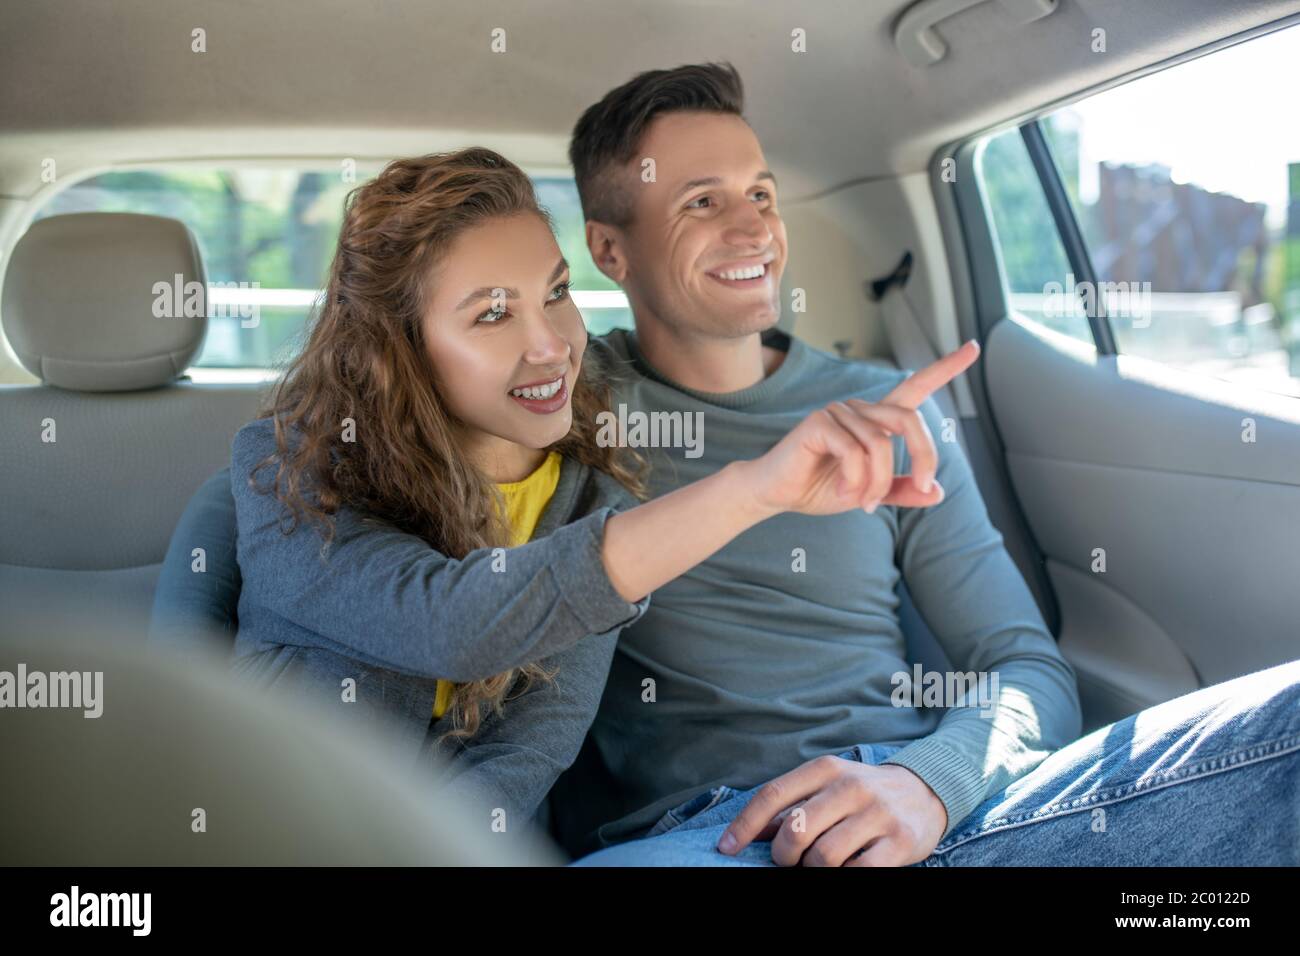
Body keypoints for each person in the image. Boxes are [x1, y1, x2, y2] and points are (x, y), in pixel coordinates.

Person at [550, 61, 1300, 866]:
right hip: (715, 837)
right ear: (608, 250)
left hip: (933, 814)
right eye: (703, 201)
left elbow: (1024, 667)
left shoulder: (884, 408)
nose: (754, 230)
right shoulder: (561, 409)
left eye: (762, 195)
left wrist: (931, 781)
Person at [224, 146, 964, 840]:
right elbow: (446, 623)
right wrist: (756, 488)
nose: (551, 343)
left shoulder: (593, 497)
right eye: (492, 313)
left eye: (555, 293)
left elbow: (535, 743)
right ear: (401, 349)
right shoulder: (291, 472)